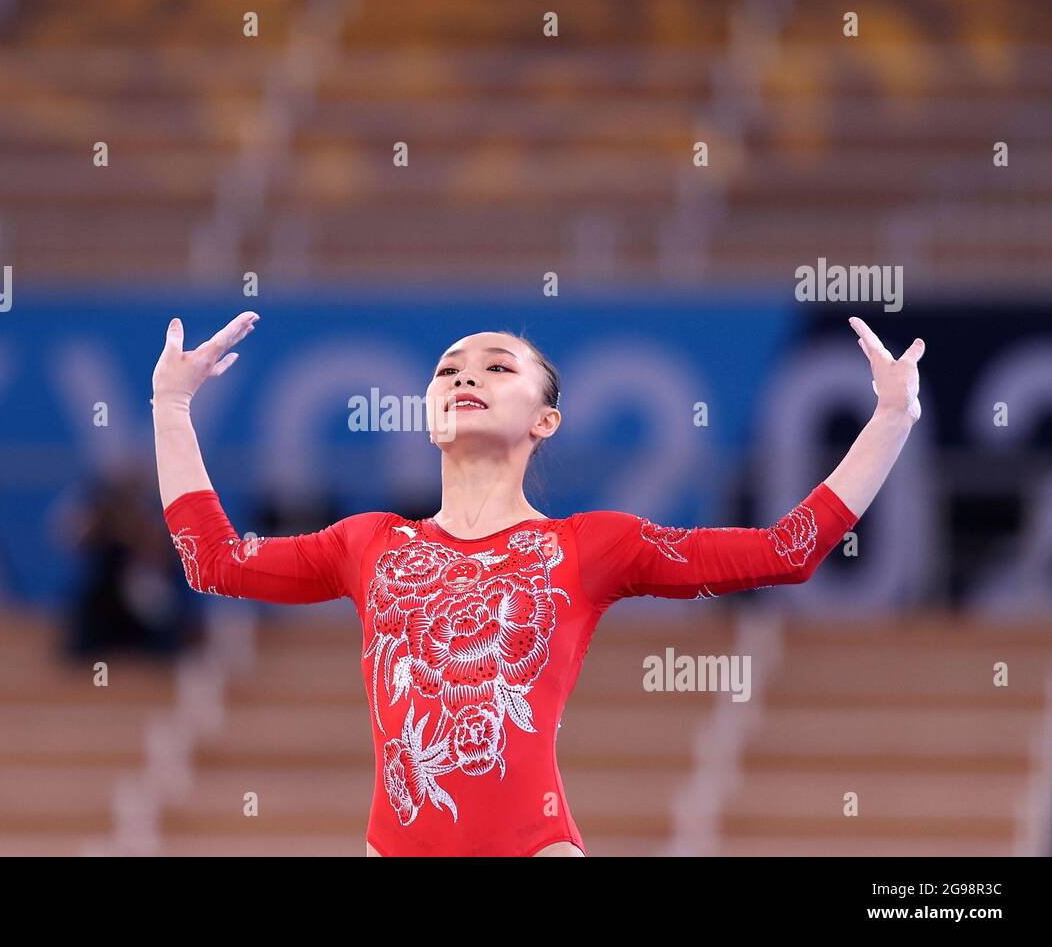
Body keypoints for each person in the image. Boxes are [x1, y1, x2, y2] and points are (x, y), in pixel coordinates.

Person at [151, 311, 924, 857]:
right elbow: (211, 561)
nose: (465, 378)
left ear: (544, 421)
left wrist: (890, 418)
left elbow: (786, 550)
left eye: (496, 367)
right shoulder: (371, 544)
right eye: (448, 370)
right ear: (428, 417)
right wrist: (171, 407)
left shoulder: (588, 547)